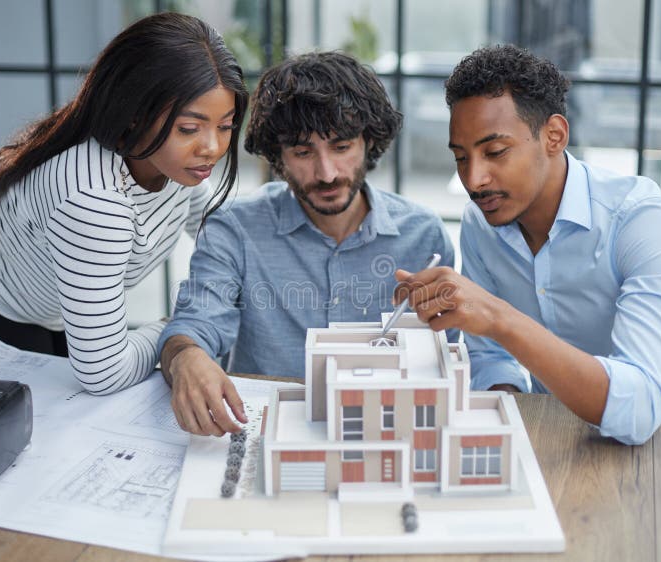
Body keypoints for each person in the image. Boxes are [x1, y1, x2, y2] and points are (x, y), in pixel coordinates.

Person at [394, 44, 661, 445]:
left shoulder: (642, 221)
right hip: (548, 442)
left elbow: (639, 411)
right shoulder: (481, 223)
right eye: (461, 157)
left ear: (554, 135)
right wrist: (503, 422)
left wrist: (499, 318)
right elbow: (491, 359)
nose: (474, 179)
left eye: (495, 152)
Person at [0, 13, 248, 395]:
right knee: (26, 414)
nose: (212, 148)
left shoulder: (178, 163)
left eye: (225, 125)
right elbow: (104, 373)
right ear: (135, 115)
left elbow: (225, 237)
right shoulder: (94, 201)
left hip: (55, 284)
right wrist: (182, 332)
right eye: (189, 128)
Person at [159, 52, 456, 436]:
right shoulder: (233, 229)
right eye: (302, 152)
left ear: (369, 142)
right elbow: (194, 326)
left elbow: (445, 361)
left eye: (342, 147)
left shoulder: (424, 236)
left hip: (385, 429)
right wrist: (185, 358)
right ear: (277, 158)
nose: (327, 173)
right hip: (264, 431)